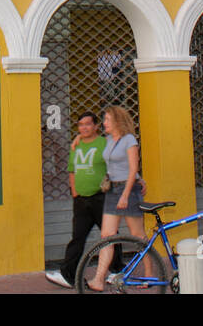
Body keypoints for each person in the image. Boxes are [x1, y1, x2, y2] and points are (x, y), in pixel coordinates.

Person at [44, 112, 122, 289]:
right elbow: (72, 169)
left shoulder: (104, 143)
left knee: (110, 236)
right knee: (77, 238)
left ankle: (117, 270)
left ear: (96, 126)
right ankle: (68, 275)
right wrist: (74, 192)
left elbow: (117, 164)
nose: (84, 128)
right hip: (81, 200)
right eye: (80, 125)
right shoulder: (76, 146)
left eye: (88, 124)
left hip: (101, 197)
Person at [84, 105, 147, 291]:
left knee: (138, 235)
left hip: (128, 190)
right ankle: (98, 279)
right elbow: (96, 145)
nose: (104, 123)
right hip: (113, 190)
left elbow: (133, 168)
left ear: (118, 121)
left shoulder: (129, 140)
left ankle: (150, 274)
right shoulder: (109, 140)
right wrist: (79, 138)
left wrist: (127, 194)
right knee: (107, 236)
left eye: (107, 120)